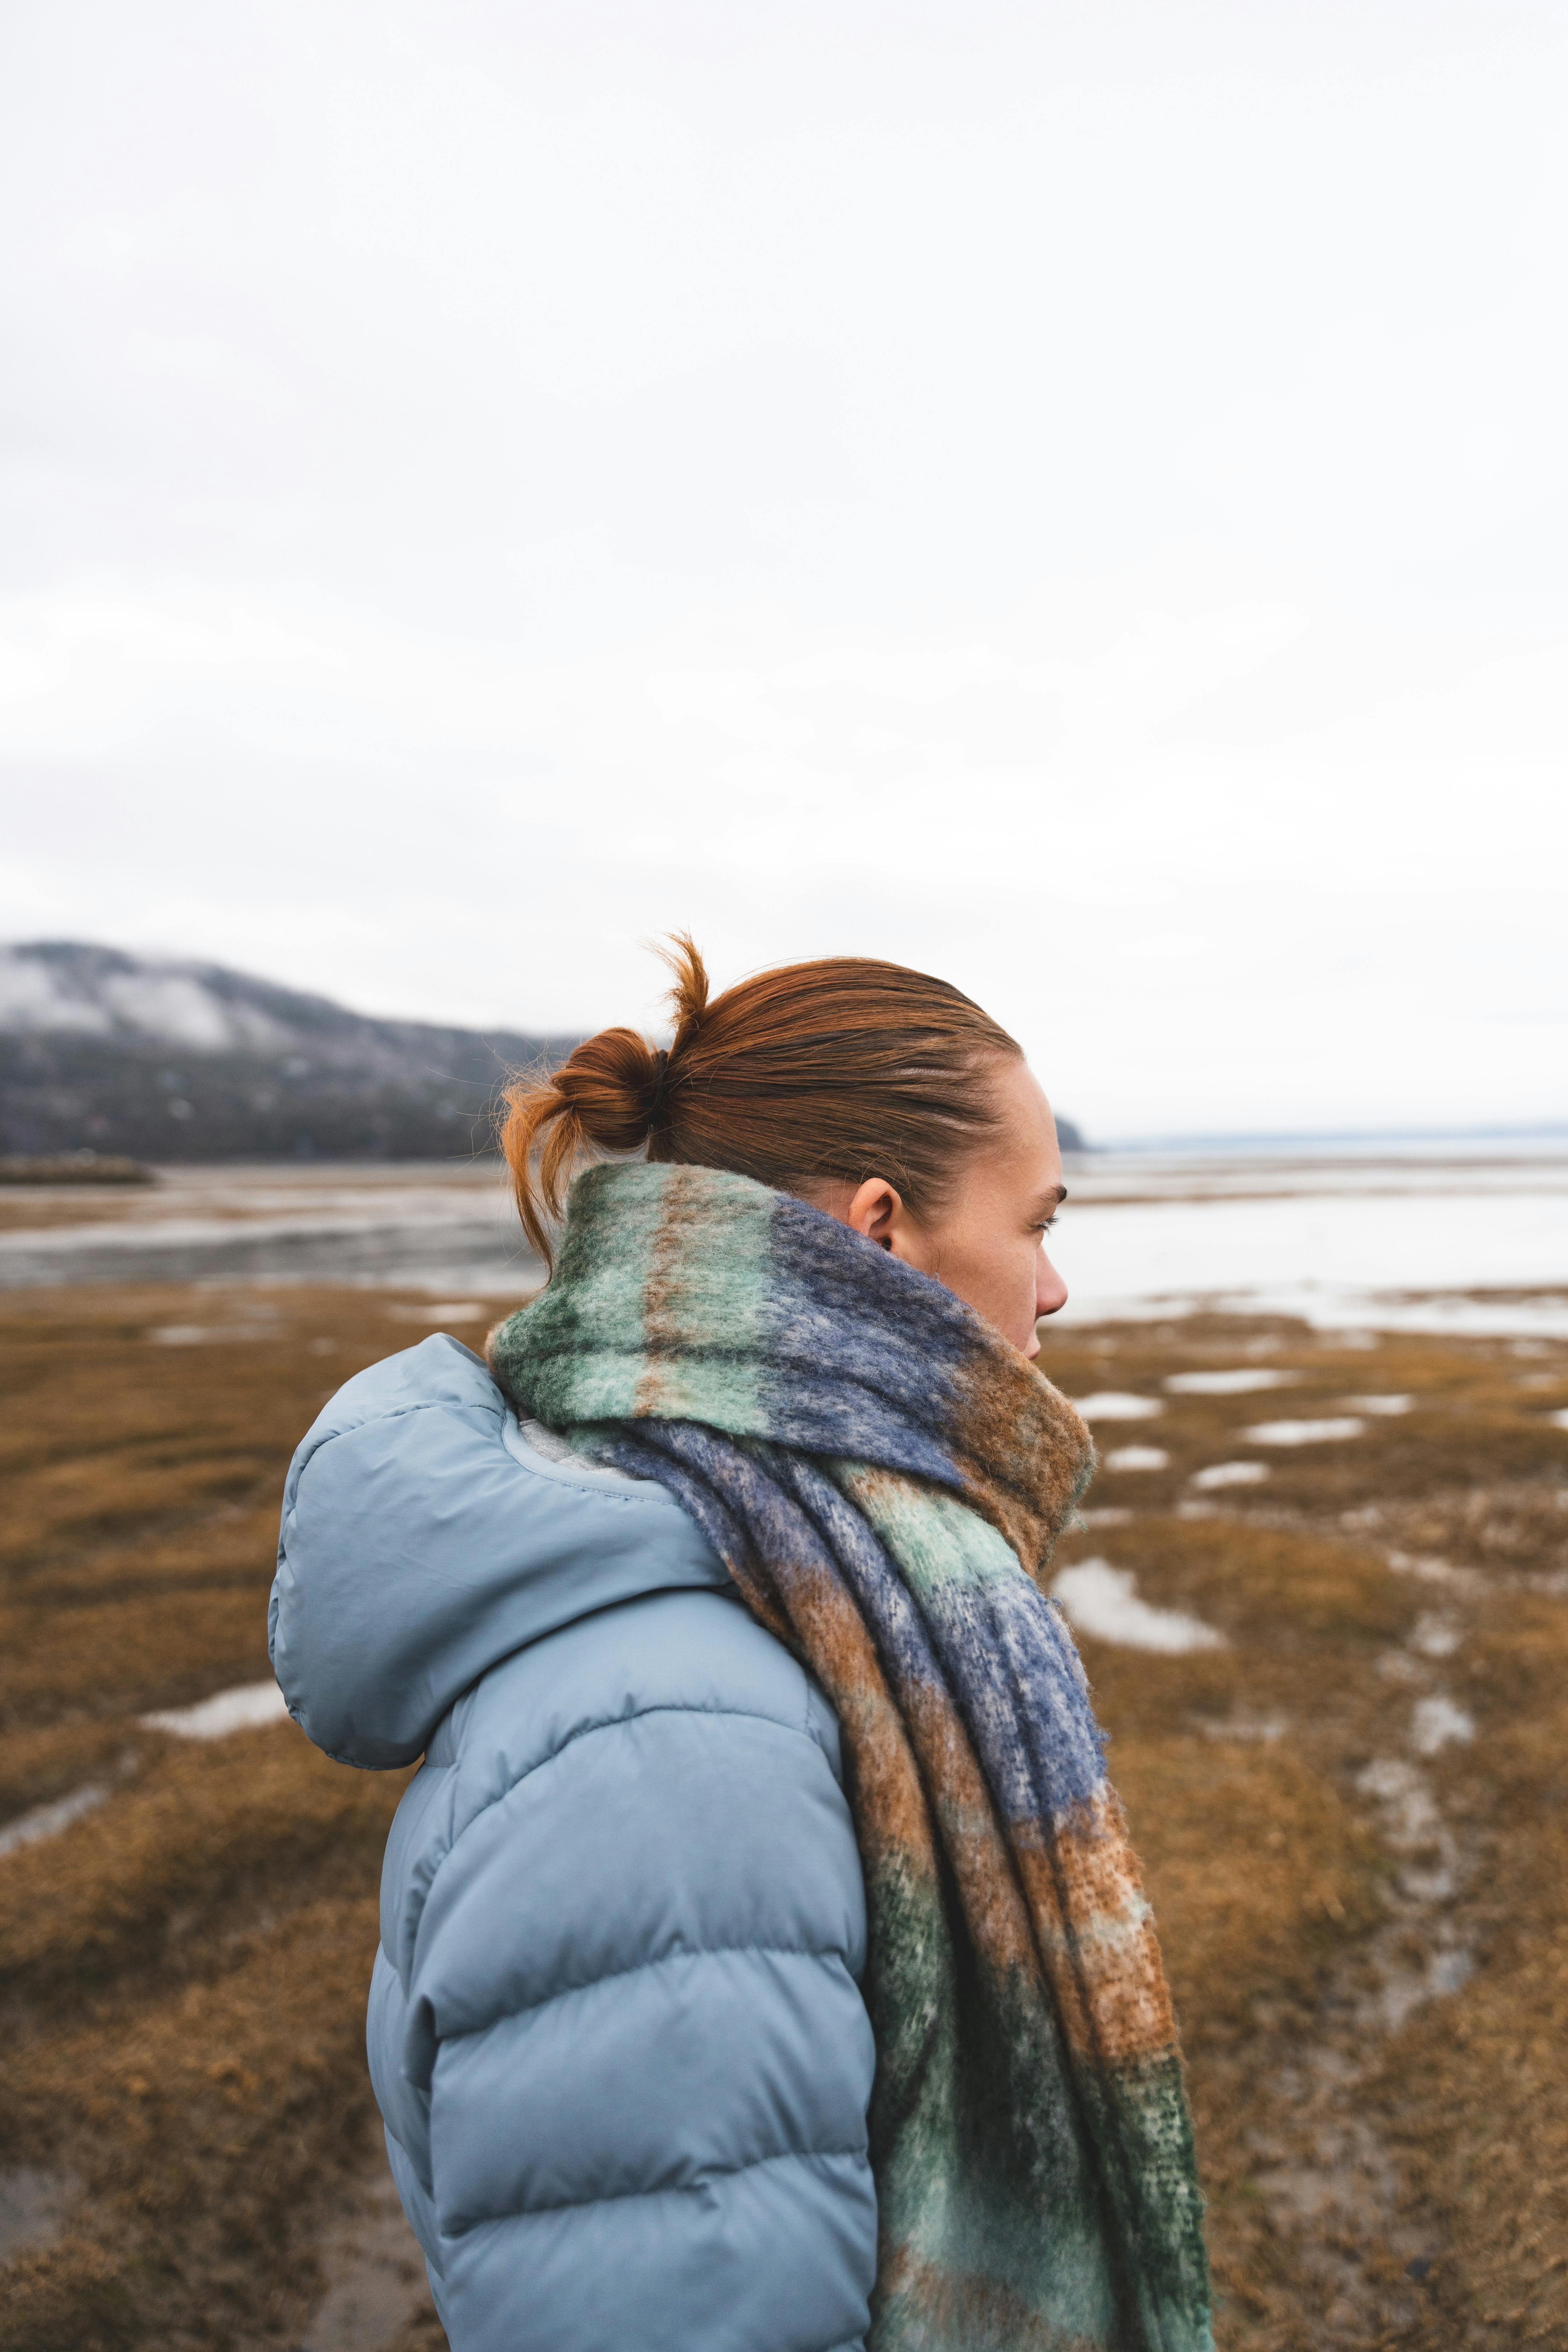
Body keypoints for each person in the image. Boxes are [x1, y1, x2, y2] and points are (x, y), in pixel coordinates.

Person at [269, 942, 1211, 2352]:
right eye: (1035, 1221)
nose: (1057, 1287)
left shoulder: (745, 1580)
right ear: (878, 1227)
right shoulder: (678, 1731)